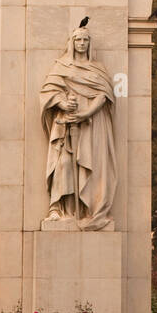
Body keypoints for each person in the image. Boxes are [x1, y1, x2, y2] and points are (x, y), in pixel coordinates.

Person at [40, 26, 117, 230]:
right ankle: (60, 209)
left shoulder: (97, 69)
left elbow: (105, 93)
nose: (82, 44)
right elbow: (48, 91)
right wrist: (64, 104)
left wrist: (87, 112)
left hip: (92, 125)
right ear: (72, 43)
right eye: (78, 40)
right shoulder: (61, 66)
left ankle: (89, 210)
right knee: (63, 165)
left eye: (85, 40)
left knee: (91, 166)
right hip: (66, 125)